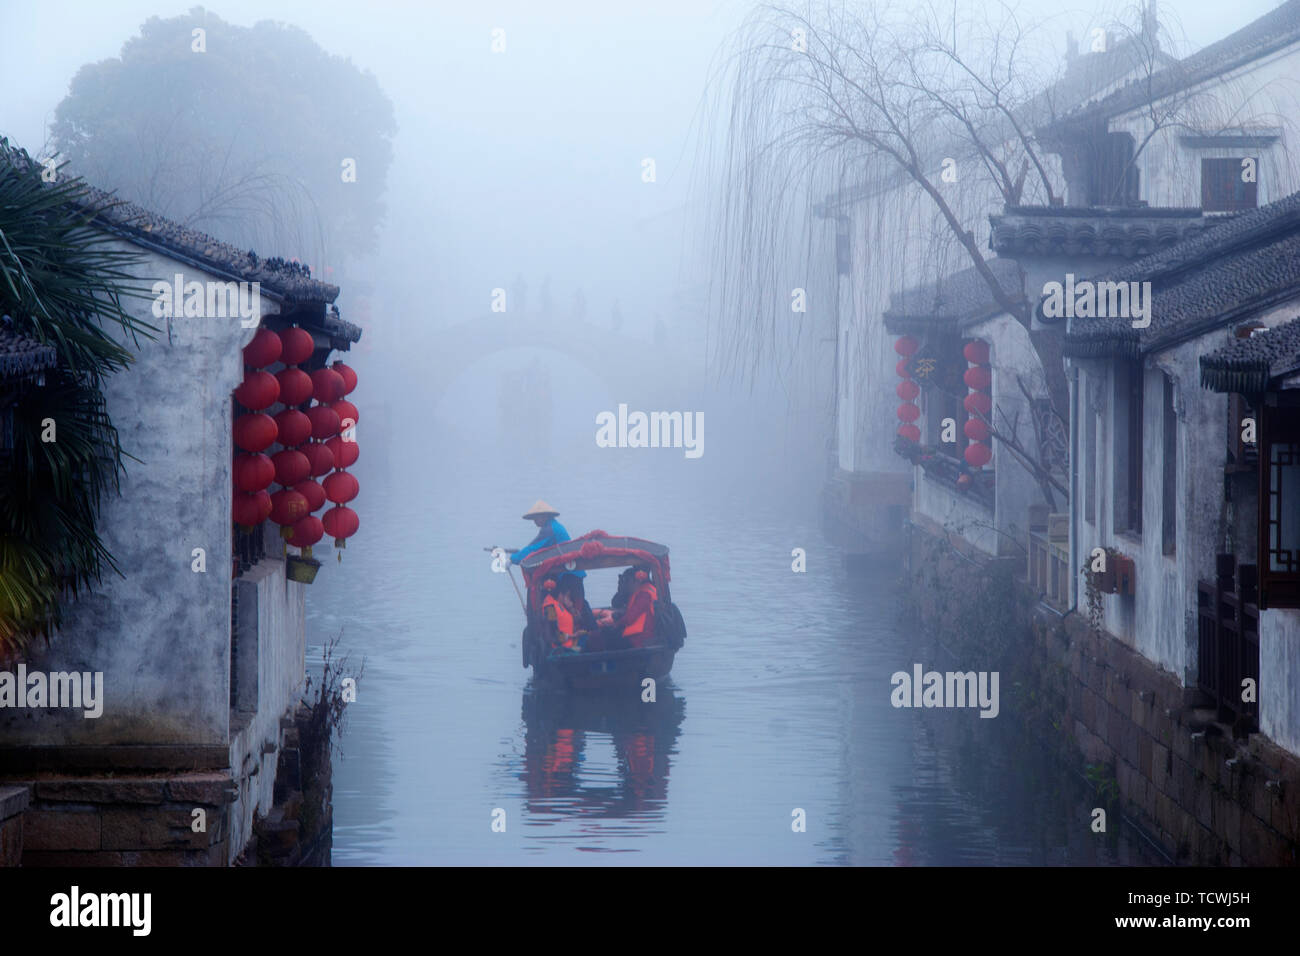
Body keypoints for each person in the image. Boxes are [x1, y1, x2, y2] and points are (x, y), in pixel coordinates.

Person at [510, 499, 586, 600]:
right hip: (572, 573)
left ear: (545, 516)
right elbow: (535, 547)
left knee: (573, 606)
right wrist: (519, 553)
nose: (534, 521)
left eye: (536, 518)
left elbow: (533, 548)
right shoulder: (552, 526)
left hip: (569, 574)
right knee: (579, 606)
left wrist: (512, 559)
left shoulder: (549, 529)